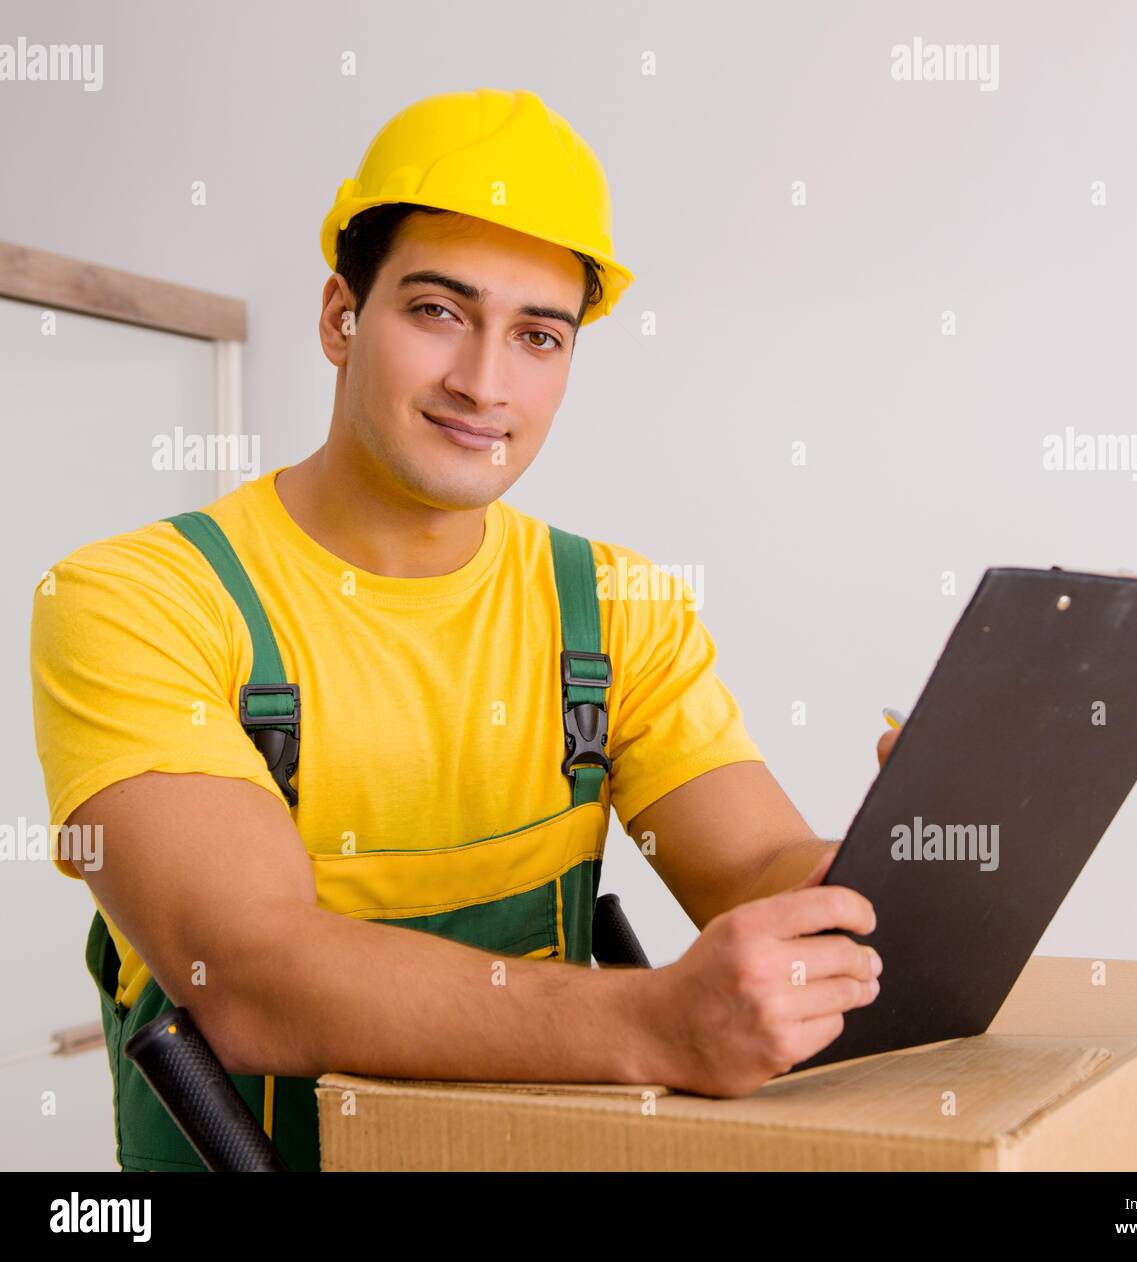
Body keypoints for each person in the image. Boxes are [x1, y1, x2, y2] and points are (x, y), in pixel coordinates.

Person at [30, 88, 890, 1172]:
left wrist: (912, 848)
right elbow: (243, 973)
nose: (485, 383)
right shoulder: (140, 598)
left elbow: (757, 866)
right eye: (438, 311)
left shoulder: (615, 605)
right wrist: (654, 1022)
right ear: (342, 315)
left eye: (537, 335)